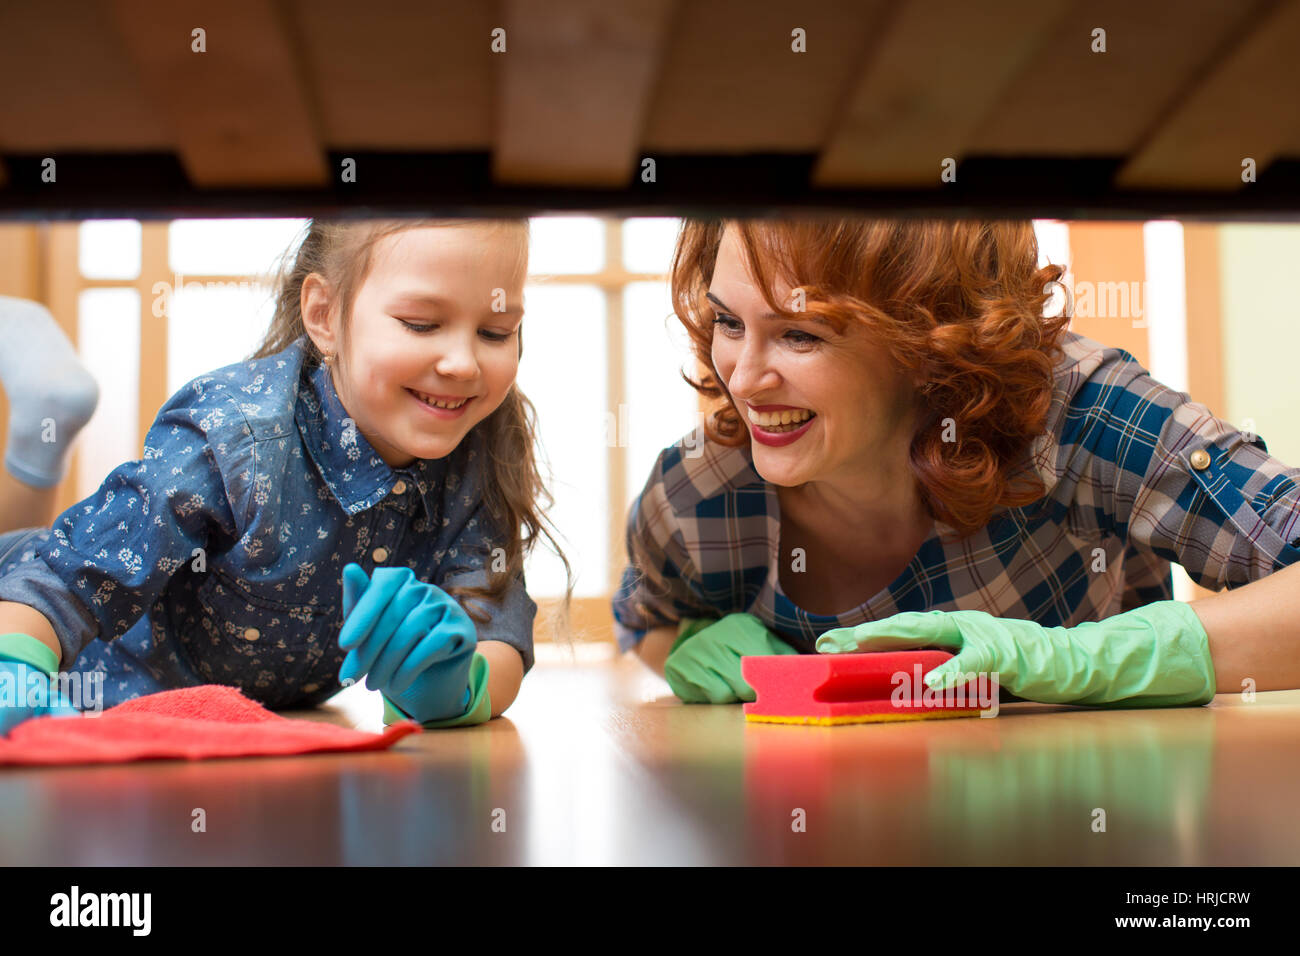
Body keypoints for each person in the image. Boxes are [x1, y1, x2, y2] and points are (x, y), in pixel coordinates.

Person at [614, 219, 1300, 706]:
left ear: (929, 340)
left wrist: (1072, 660)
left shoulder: (1078, 416)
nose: (744, 378)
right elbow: (649, 624)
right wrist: (692, 643)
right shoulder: (700, 491)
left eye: (800, 334)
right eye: (730, 324)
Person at [0, 218, 567, 736]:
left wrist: (453, 683)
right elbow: (62, 577)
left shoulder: (479, 454)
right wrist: (14, 672)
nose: (463, 364)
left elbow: (498, 637)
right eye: (421, 324)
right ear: (323, 316)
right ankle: (41, 403)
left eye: (496, 332)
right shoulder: (236, 436)